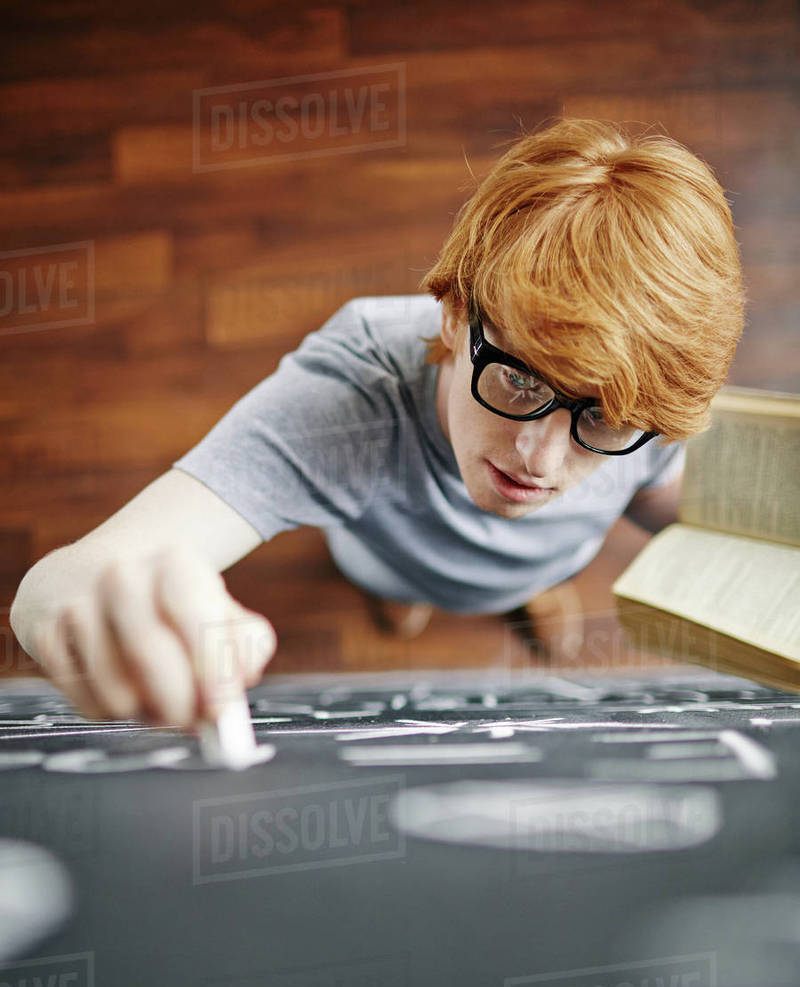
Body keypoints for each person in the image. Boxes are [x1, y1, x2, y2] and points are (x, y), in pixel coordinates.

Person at [9, 116, 745, 732]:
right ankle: (403, 597)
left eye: (603, 418)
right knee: (396, 588)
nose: (540, 459)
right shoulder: (348, 398)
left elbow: (663, 496)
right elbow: (58, 584)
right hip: (391, 560)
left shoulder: (647, 398)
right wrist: (102, 618)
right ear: (455, 314)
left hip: (554, 557)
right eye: (520, 379)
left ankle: (530, 591)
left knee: (533, 573)